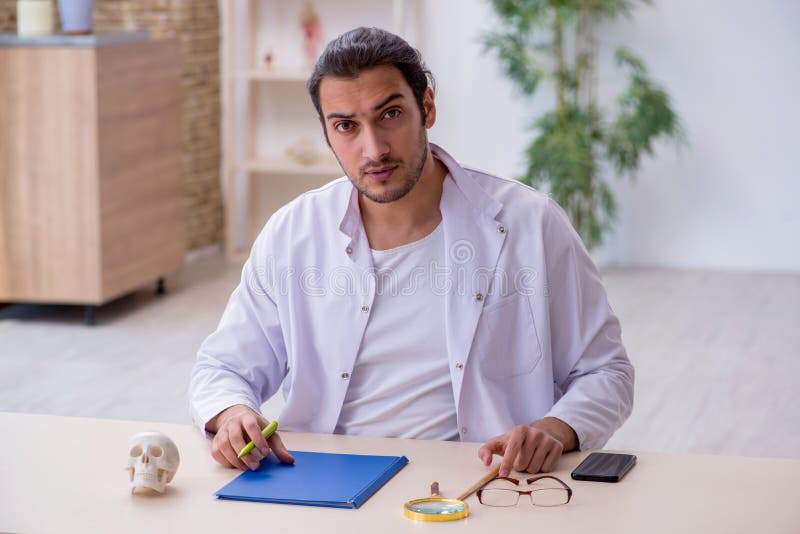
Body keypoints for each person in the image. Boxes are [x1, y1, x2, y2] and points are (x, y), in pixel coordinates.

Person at [189, 27, 634, 477]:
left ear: (428, 107)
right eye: (346, 126)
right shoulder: (292, 233)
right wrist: (232, 415)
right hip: (321, 483)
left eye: (391, 114)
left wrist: (556, 428)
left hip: (481, 482)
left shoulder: (531, 225)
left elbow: (606, 372)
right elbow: (222, 367)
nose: (374, 148)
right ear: (326, 134)